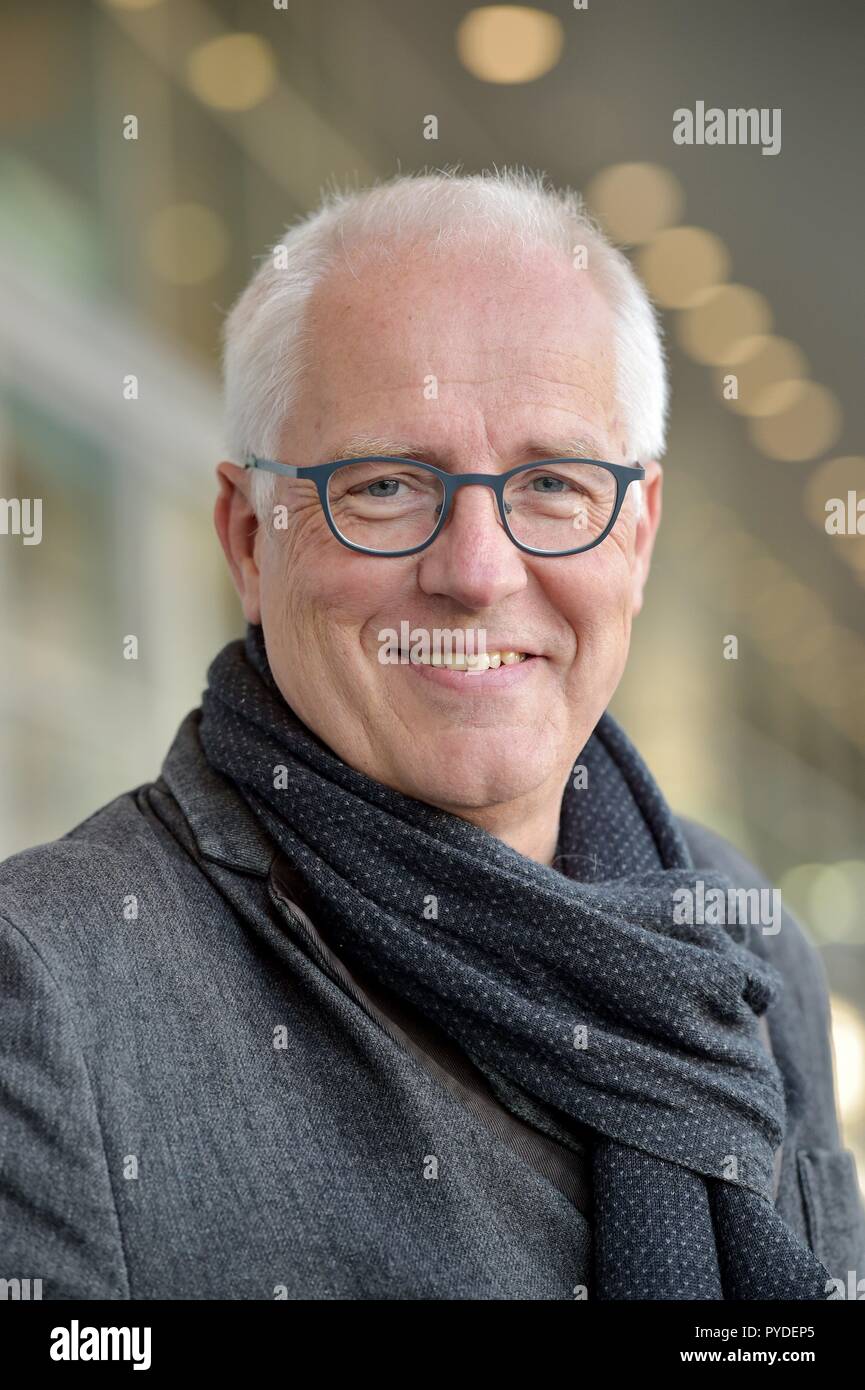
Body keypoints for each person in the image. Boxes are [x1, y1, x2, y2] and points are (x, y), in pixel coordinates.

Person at [2, 168, 863, 1301]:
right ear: (249, 542)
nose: (476, 571)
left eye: (552, 483)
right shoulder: (49, 989)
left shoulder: (746, 945)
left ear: (638, 538)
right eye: (387, 485)